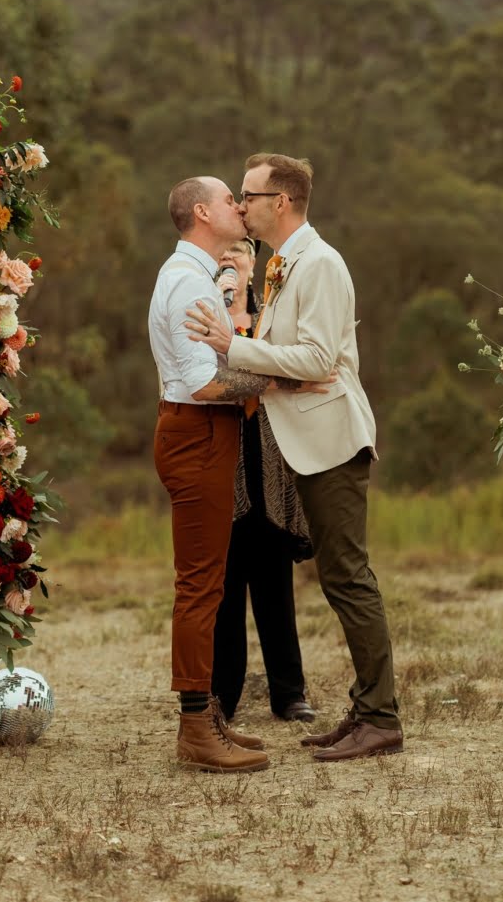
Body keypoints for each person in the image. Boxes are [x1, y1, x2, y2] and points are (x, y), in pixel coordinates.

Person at [186, 154, 403, 761]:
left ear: (279, 202)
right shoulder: (286, 263)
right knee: (339, 578)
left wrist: (234, 345)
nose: (240, 204)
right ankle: (366, 708)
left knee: (349, 578)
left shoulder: (321, 264)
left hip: (332, 441)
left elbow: (318, 360)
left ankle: (381, 718)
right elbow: (301, 362)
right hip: (308, 443)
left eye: (248, 194)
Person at [148, 175, 332, 773]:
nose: (239, 205)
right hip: (198, 432)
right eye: (230, 198)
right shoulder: (186, 281)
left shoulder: (197, 275)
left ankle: (210, 719)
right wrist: (286, 381)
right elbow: (205, 382)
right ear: (203, 213)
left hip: (206, 433)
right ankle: (197, 728)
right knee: (202, 586)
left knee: (207, 582)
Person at [212, 237, 316, 724]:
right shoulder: (204, 312)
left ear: (254, 262)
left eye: (239, 249)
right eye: (223, 250)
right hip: (223, 461)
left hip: (271, 459)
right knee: (225, 589)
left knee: (276, 585)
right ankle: (222, 695)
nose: (230, 257)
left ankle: (289, 693)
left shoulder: (272, 314)